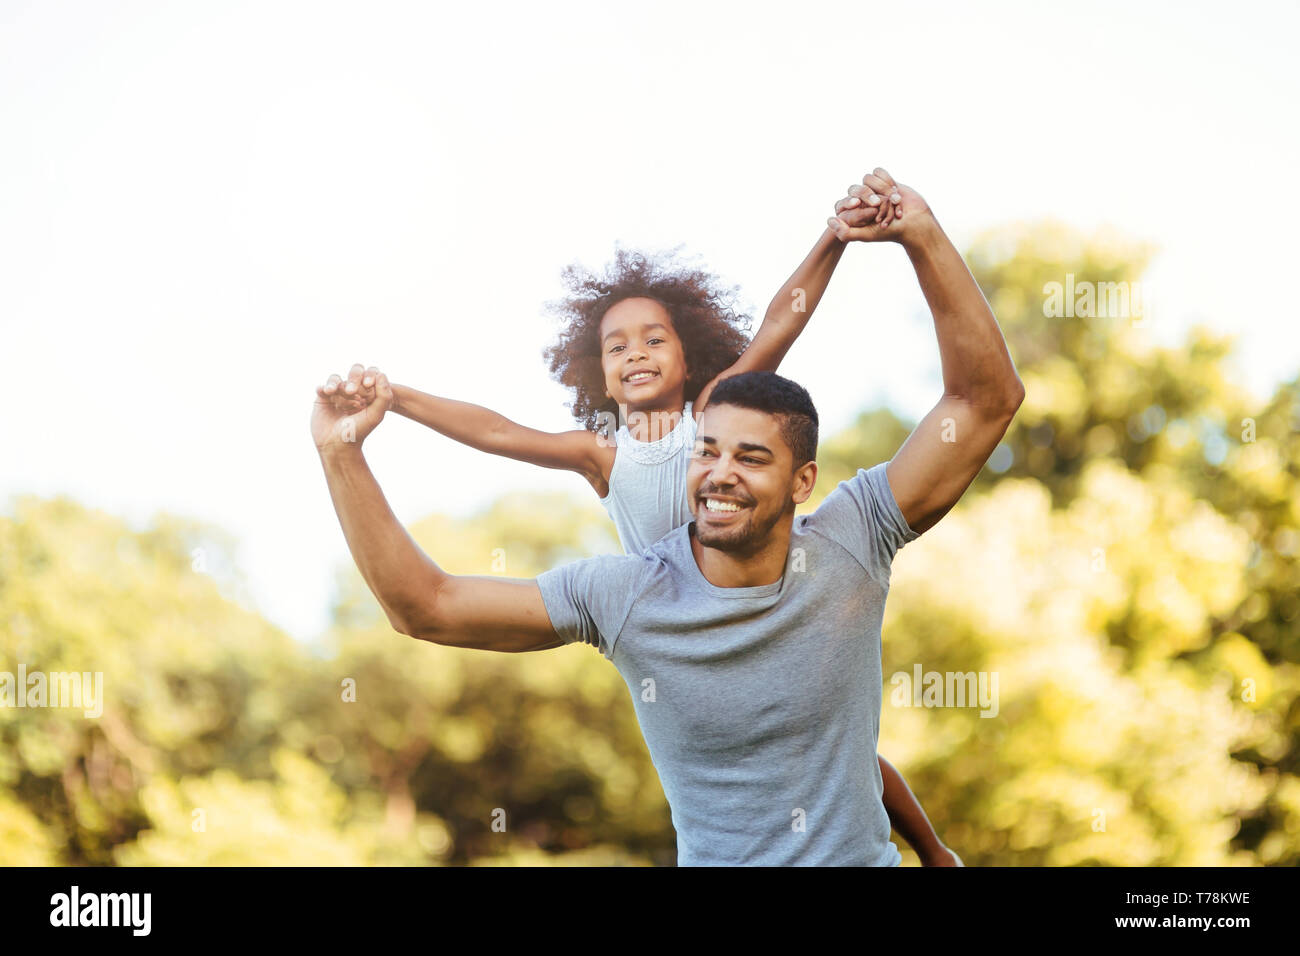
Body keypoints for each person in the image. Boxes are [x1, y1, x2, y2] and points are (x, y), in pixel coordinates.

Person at [314, 171, 1024, 864]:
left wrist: (902, 234)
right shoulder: (622, 572)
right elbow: (428, 602)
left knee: (862, 758)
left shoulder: (848, 536)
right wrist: (354, 440)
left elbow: (978, 401)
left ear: (803, 480)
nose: (717, 469)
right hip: (660, 614)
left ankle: (937, 851)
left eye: (750, 457)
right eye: (708, 452)